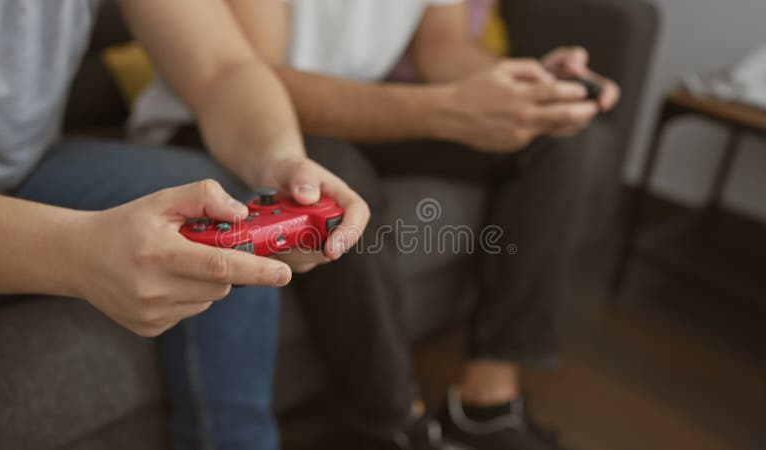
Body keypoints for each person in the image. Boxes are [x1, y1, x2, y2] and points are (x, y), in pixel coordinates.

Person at [131, 1, 621, 450]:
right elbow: (257, 82)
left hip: (353, 112)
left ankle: (486, 405)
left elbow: (441, 48)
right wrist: (443, 111)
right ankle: (393, 424)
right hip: (226, 124)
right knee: (332, 185)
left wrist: (532, 87)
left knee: (551, 140)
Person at [0, 1, 369, 449]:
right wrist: (75, 251)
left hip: (24, 168)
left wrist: (281, 159)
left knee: (220, 211)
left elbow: (220, 67)